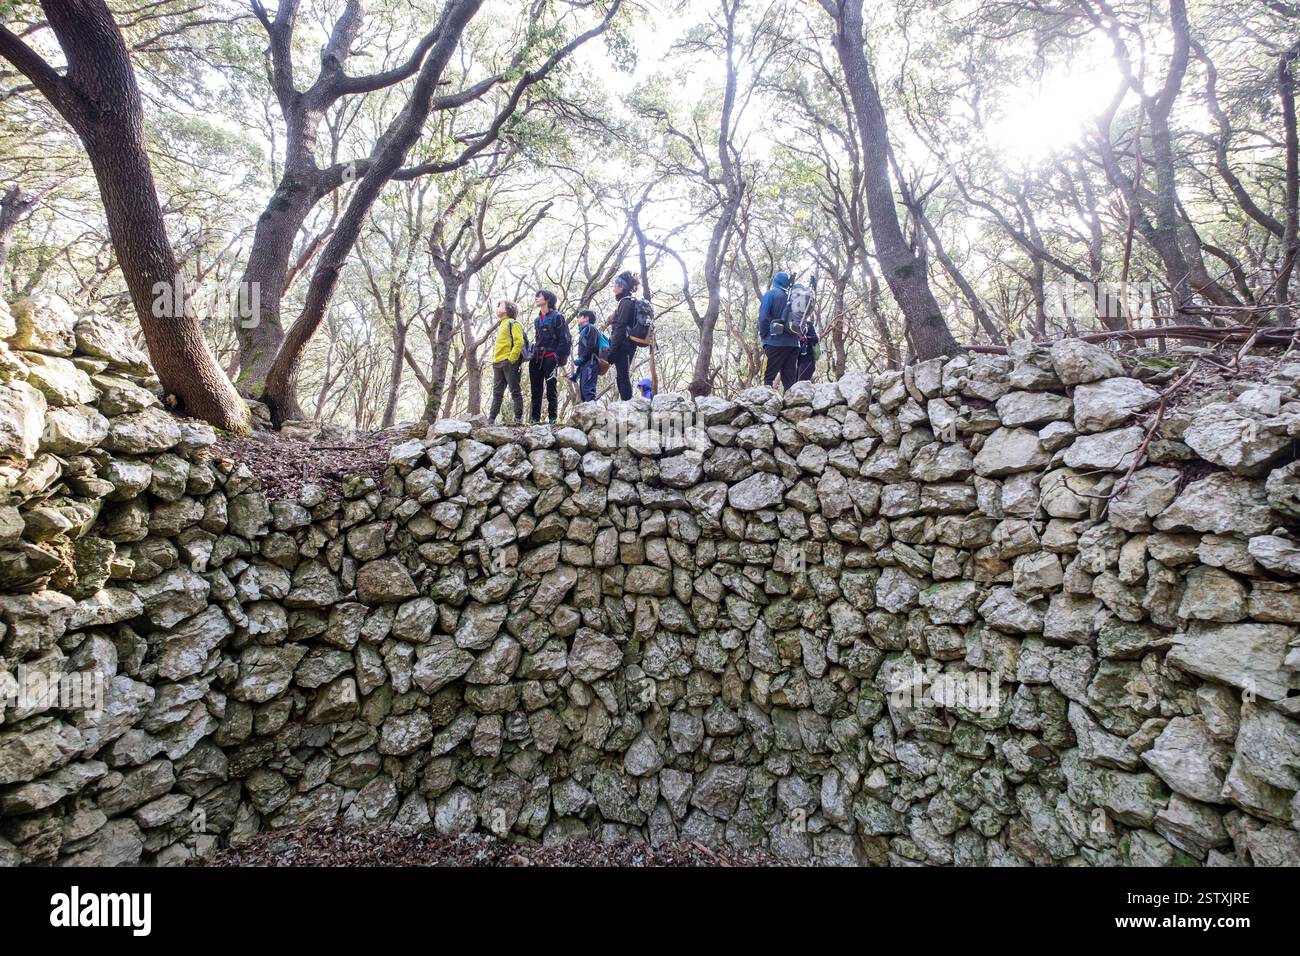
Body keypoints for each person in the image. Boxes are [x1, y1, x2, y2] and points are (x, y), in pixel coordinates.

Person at [529, 289, 568, 423]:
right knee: (535, 390)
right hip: (536, 358)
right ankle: (534, 419)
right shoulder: (536, 320)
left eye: (539, 296)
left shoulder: (558, 317)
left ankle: (552, 419)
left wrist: (557, 357)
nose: (536, 298)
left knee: (551, 389)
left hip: (551, 357)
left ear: (547, 299)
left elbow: (565, 339)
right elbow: (537, 337)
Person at [758, 271, 800, 390]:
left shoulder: (771, 294)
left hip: (774, 343)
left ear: (775, 281)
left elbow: (763, 318)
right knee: (790, 382)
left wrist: (764, 336)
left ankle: (764, 408)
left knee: (766, 379)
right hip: (793, 345)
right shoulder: (794, 297)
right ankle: (794, 407)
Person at [488, 299, 524, 423]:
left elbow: (519, 342)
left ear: (508, 309)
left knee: (514, 390)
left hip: (508, 362)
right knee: (497, 392)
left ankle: (518, 419)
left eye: (500, 305)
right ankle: (491, 419)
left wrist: (511, 359)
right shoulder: (501, 324)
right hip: (497, 362)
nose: (497, 308)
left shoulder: (513, 324)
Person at [607, 270, 639, 401]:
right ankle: (627, 405)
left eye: (615, 285)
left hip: (623, 345)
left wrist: (612, 350)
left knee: (623, 376)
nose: (613, 288)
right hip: (628, 344)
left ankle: (628, 405)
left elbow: (620, 327)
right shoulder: (629, 301)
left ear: (621, 286)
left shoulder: (625, 302)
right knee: (621, 376)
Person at [570, 309, 600, 403]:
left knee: (588, 391)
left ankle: (593, 415)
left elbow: (591, 347)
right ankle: (587, 415)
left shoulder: (591, 328)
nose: (578, 319)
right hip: (585, 365)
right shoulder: (584, 330)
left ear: (586, 318)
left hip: (591, 364)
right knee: (583, 392)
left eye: (579, 317)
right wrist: (577, 374)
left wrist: (581, 359)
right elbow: (584, 355)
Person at [795, 312, 819, 383]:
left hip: (807, 359)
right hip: (796, 361)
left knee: (800, 384)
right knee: (793, 386)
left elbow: (816, 338)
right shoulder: (791, 324)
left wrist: (805, 338)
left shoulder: (808, 324)